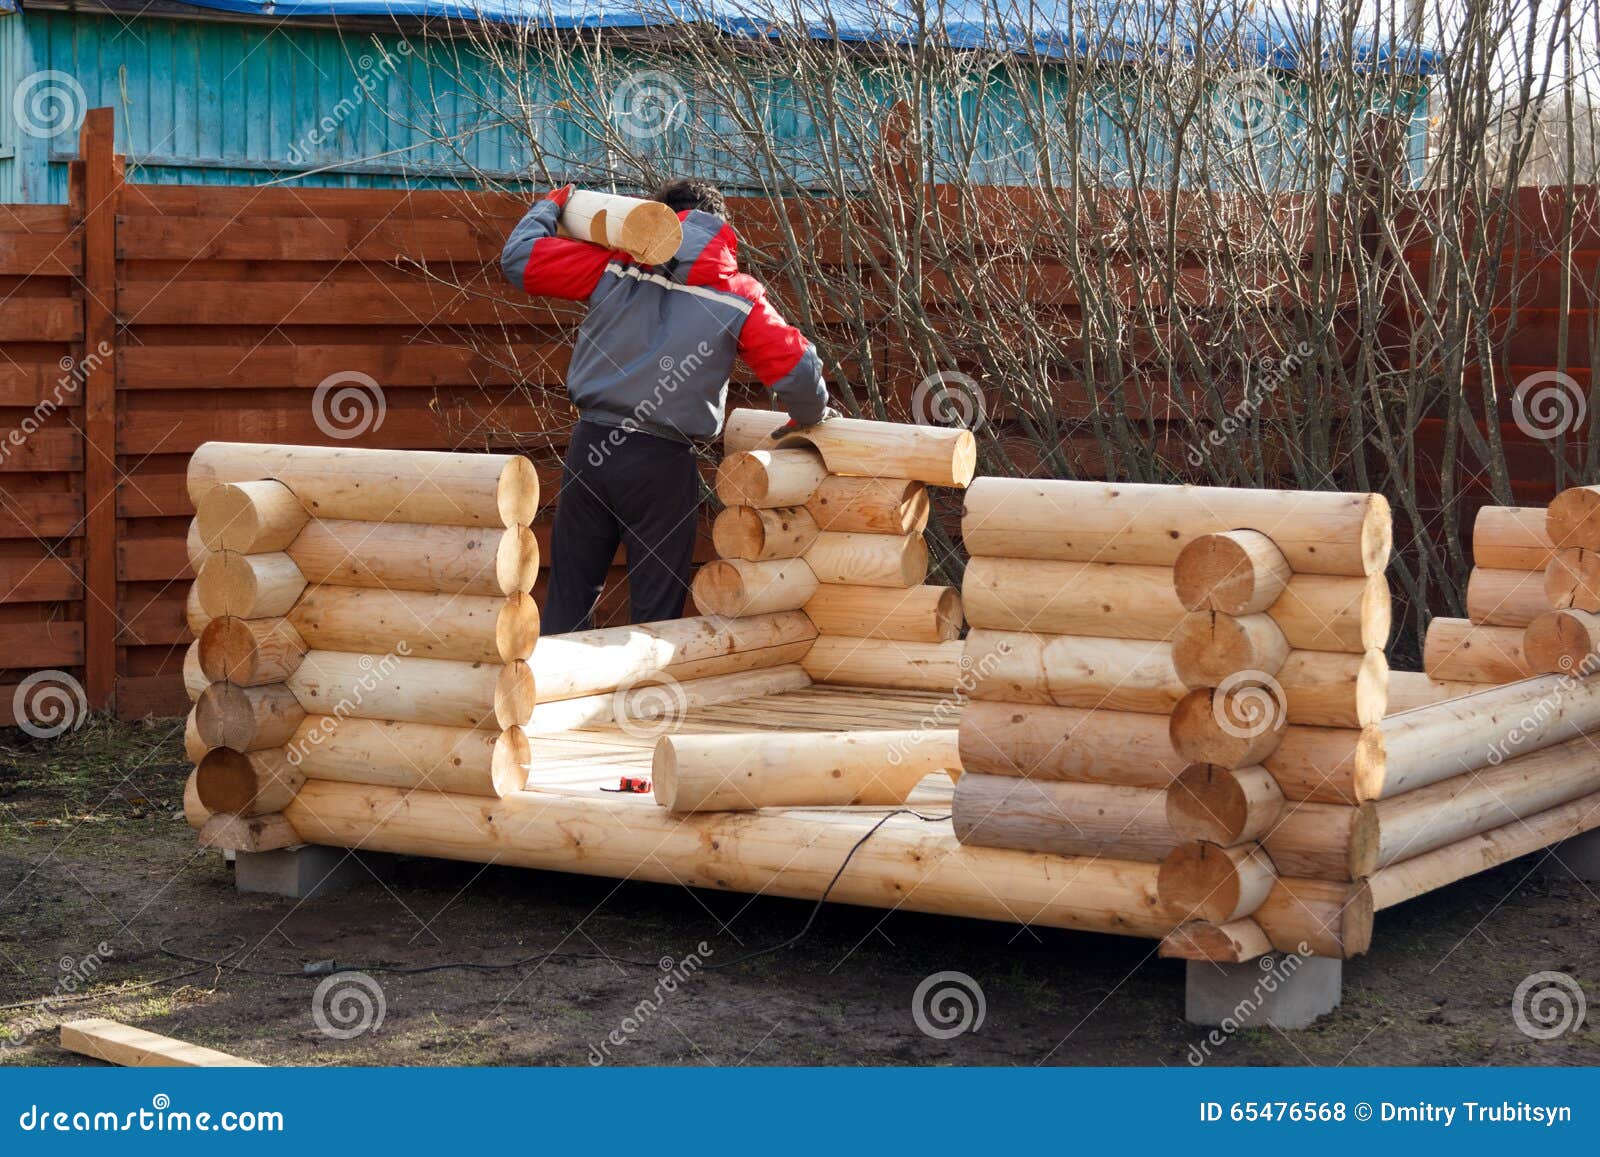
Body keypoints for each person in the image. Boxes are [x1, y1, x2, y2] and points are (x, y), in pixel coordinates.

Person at [501, 178, 832, 634]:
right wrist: (809, 415)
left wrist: (551, 206)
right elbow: (796, 369)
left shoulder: (614, 266)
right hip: (662, 462)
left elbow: (520, 260)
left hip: (591, 448)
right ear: (723, 228)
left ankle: (553, 701)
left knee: (570, 595)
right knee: (657, 609)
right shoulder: (738, 294)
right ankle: (648, 702)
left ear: (654, 216)